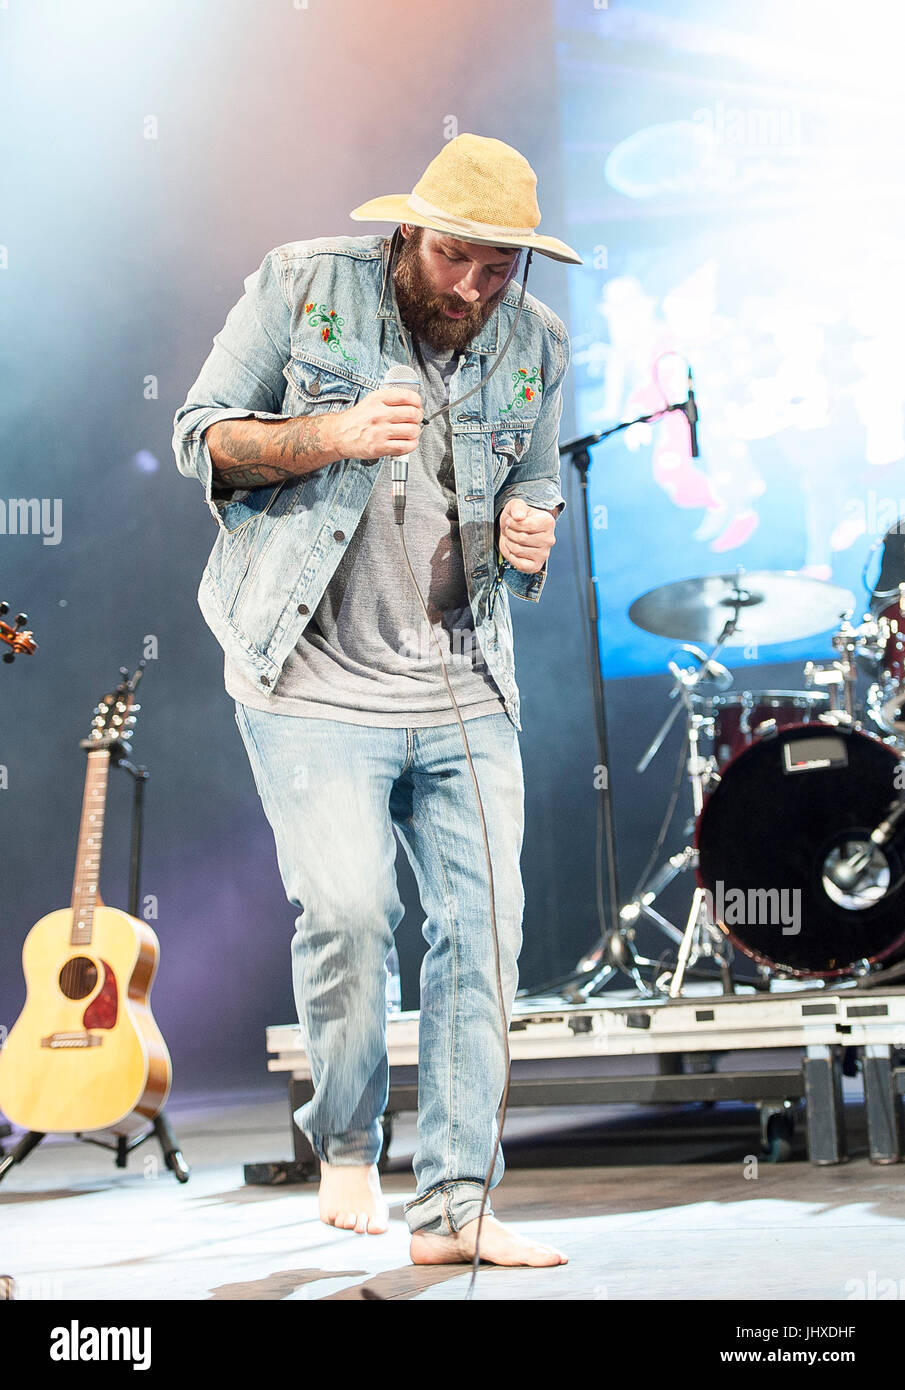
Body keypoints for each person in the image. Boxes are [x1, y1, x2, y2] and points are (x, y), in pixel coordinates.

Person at [173, 134, 580, 1267]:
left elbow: (534, 475)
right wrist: (328, 436)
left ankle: (453, 1207)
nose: (472, 287)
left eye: (499, 268)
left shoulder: (536, 339)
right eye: (456, 258)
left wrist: (528, 528)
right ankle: (344, 1139)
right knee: (353, 915)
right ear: (408, 232)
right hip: (307, 676)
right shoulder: (302, 286)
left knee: (483, 942)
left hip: (463, 679)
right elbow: (198, 437)